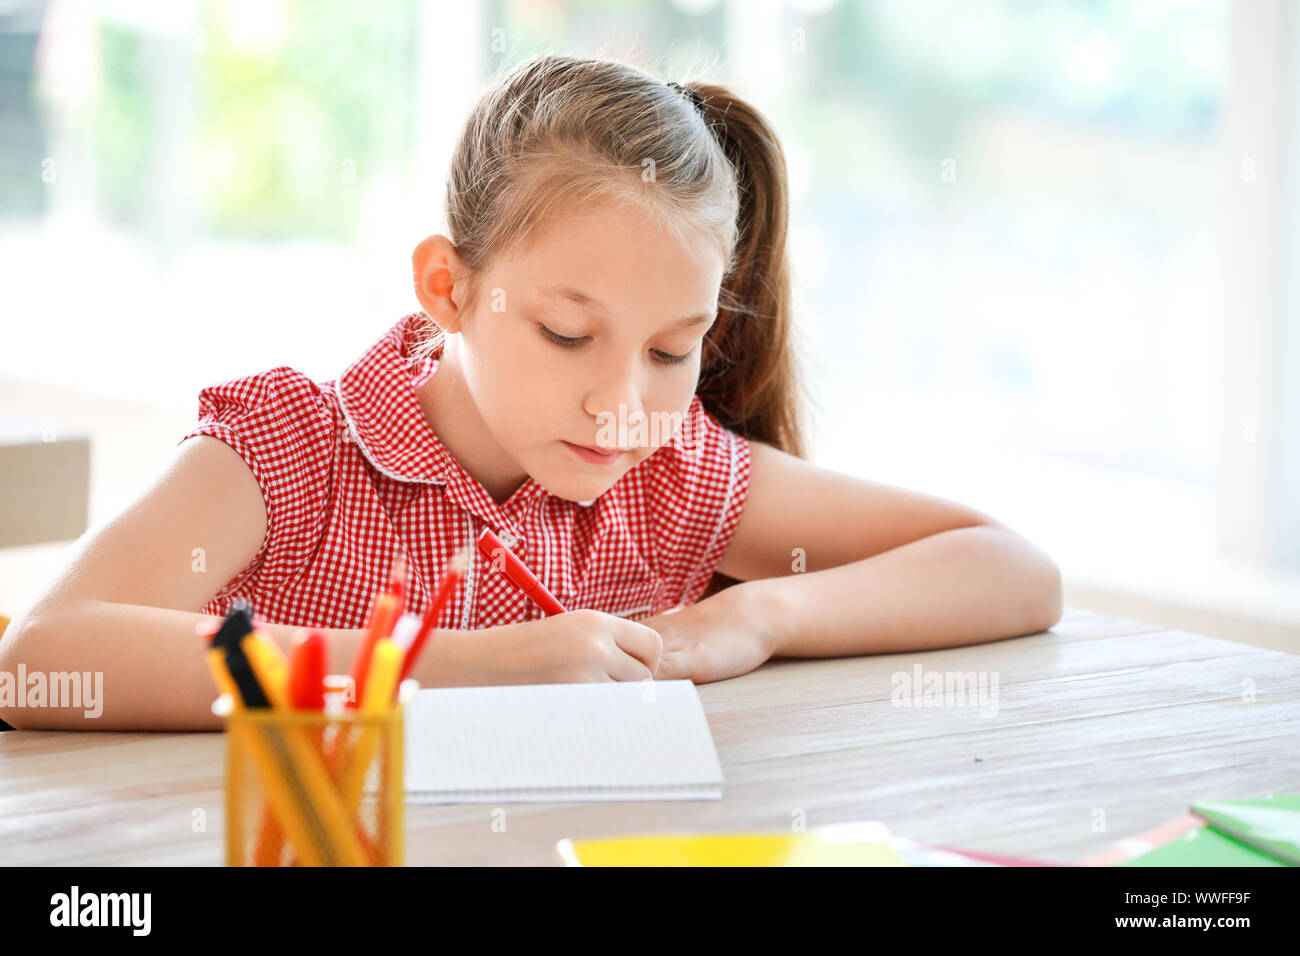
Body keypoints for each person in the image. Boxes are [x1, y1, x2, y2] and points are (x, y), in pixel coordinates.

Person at [0, 55, 1061, 731]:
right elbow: (43, 658)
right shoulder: (293, 447)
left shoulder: (671, 471)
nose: (620, 403)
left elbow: (1012, 570)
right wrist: (446, 667)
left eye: (670, 347)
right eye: (566, 333)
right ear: (447, 287)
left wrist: (760, 610)